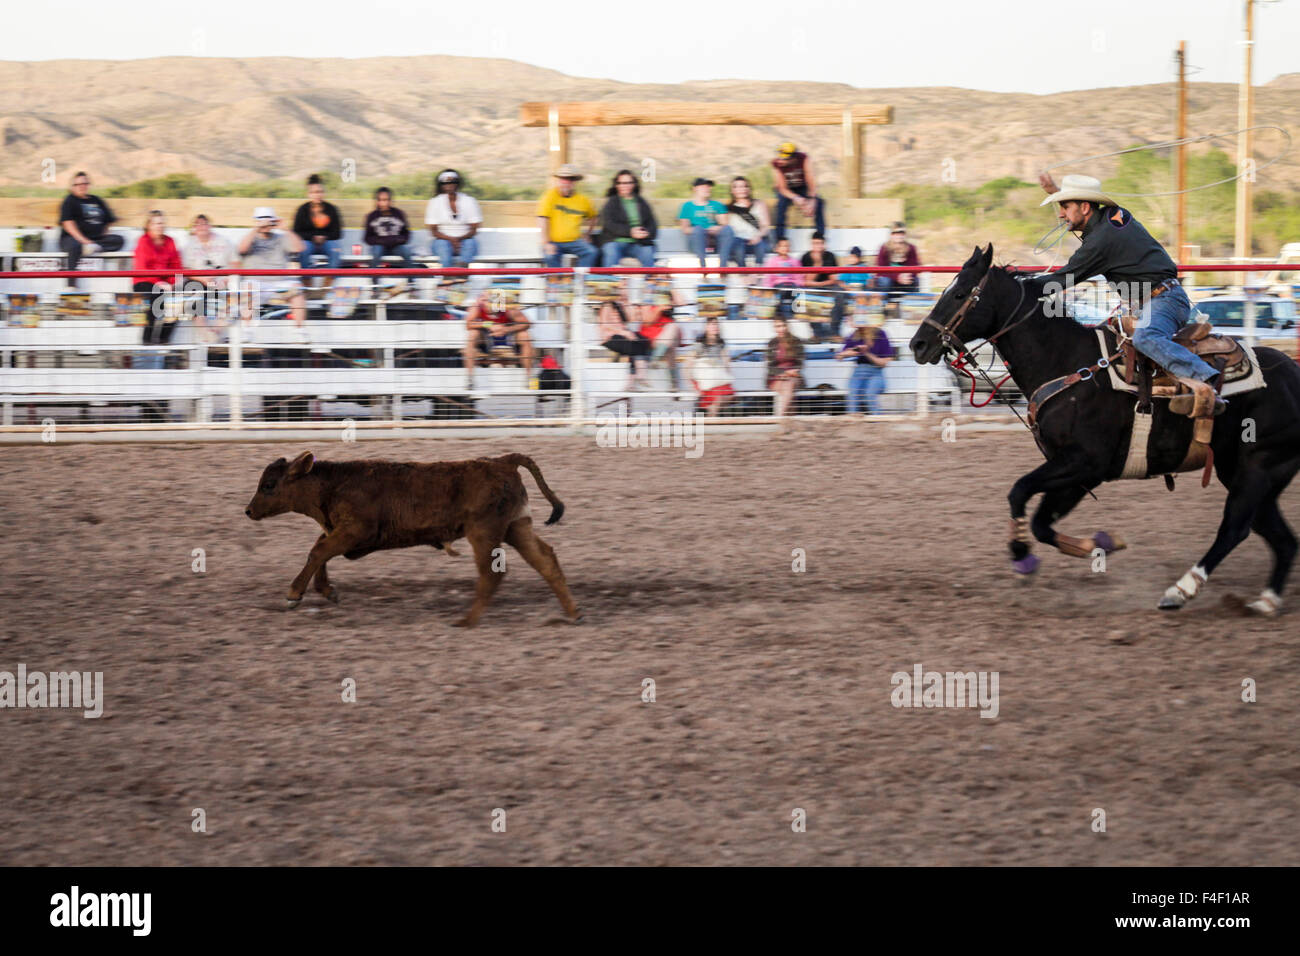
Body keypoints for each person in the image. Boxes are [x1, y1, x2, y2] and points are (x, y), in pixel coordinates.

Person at [1026, 173, 1223, 417]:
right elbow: (1082, 218)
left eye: (1065, 207)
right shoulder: (1114, 216)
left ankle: (1206, 378)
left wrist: (1022, 285)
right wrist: (1058, 192)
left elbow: (1063, 278)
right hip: (1153, 298)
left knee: (1146, 338)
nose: (1060, 214)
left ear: (1085, 207)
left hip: (1165, 300)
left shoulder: (1100, 241)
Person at [131, 211, 183, 391]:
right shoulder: (143, 241)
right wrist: (160, 283)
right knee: (156, 295)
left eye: (162, 223)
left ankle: (163, 339)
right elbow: (142, 269)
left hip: (165, 284)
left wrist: (172, 284)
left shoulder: (170, 241)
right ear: (148, 225)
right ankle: (147, 340)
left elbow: (176, 266)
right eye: (156, 223)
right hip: (145, 281)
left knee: (182, 299)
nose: (160, 226)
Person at [58, 171, 126, 285]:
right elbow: (68, 224)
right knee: (75, 246)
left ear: (88, 185)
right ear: (72, 186)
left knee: (118, 240)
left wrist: (100, 237)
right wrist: (85, 241)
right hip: (72, 239)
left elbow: (108, 220)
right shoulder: (70, 201)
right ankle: (71, 284)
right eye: (78, 184)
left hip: (94, 240)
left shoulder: (97, 200)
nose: (82, 186)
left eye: (85, 183)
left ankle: (93, 247)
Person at [463, 291, 534, 381]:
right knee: (472, 334)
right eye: (484, 300)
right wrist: (489, 324)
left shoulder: (509, 309)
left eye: (489, 300)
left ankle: (528, 377)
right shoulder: (477, 307)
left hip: (507, 337)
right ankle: (470, 378)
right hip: (487, 338)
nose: (485, 303)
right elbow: (468, 325)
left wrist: (506, 329)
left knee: (524, 336)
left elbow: (527, 323)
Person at [537, 164, 598, 267]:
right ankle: (558, 277)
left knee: (592, 252)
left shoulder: (583, 200)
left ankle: (580, 275)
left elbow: (593, 217)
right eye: (563, 179)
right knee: (550, 256)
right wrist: (546, 243)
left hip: (575, 241)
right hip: (554, 242)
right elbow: (542, 219)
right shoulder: (549, 196)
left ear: (575, 182)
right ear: (558, 180)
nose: (566, 182)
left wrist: (588, 234)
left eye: (570, 179)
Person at [837, 313, 895, 415]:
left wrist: (867, 353)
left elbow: (884, 363)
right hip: (858, 372)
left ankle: (877, 420)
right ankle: (853, 420)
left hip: (876, 373)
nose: (859, 327)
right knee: (853, 395)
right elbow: (839, 356)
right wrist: (852, 352)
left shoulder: (880, 334)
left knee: (870, 394)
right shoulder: (854, 335)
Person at [292, 174, 343, 286]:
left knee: (335, 250)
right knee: (303, 249)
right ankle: (307, 282)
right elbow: (296, 232)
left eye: (320, 192)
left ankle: (327, 284)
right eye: (314, 192)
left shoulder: (331, 209)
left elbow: (337, 233)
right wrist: (313, 237)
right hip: (309, 242)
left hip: (327, 242)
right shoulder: (302, 210)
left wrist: (324, 237)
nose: (317, 195)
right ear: (309, 194)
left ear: (323, 193)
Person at [598, 170, 658, 267]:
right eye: (620, 183)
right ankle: (609, 276)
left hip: (638, 243)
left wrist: (645, 233)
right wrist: (630, 232)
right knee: (611, 252)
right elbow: (609, 224)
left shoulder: (642, 202)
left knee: (647, 251)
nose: (624, 186)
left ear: (634, 184)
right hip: (615, 242)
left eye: (628, 183)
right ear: (616, 185)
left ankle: (648, 276)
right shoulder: (611, 202)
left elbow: (652, 224)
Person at [426, 169, 482, 267]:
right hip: (442, 240)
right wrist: (451, 240)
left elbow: (474, 229)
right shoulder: (434, 202)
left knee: (470, 243)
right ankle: (448, 274)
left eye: (453, 182)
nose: (449, 185)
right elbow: (434, 231)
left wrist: (459, 239)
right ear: (441, 185)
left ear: (457, 184)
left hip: (465, 239)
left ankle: (461, 270)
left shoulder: (469, 200)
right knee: (443, 247)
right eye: (445, 183)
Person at [771, 142, 825, 240]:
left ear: (793, 158)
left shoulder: (803, 159)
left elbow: (811, 180)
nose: (782, 161)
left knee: (819, 203)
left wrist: (812, 199)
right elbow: (782, 188)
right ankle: (780, 239)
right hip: (786, 189)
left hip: (802, 186)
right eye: (781, 157)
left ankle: (820, 238)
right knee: (780, 205)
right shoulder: (777, 163)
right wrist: (796, 198)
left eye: (785, 159)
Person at [678, 178, 733, 269]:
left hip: (714, 241)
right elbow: (685, 229)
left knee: (728, 229)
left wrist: (717, 227)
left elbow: (724, 224)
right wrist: (704, 231)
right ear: (695, 189)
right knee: (698, 230)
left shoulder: (717, 205)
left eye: (709, 187)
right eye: (704, 187)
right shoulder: (687, 206)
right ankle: (703, 268)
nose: (708, 189)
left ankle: (722, 268)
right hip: (697, 242)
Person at [597, 300, 652, 390]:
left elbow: (630, 320)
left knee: (643, 341)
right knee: (635, 346)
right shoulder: (608, 305)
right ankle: (639, 377)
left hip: (622, 336)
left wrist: (628, 306)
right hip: (610, 338)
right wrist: (624, 332)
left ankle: (631, 384)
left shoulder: (619, 305)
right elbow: (604, 324)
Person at [800, 231, 844, 340]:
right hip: (812, 287)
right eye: (815, 243)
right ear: (811, 244)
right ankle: (817, 334)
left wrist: (820, 284)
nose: (817, 246)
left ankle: (835, 333)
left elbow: (834, 279)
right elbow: (805, 282)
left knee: (840, 294)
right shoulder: (805, 257)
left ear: (824, 244)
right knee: (807, 294)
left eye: (820, 243)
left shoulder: (830, 256)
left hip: (828, 286)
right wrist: (817, 264)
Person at [688, 316, 735, 416]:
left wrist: (729, 376)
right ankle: (712, 417)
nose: (715, 326)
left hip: (718, 378)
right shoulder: (700, 344)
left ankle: (712, 413)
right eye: (712, 324)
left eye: (716, 324)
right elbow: (688, 364)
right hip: (706, 379)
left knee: (730, 397)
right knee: (718, 399)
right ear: (706, 327)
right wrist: (692, 384)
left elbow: (726, 362)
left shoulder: (721, 343)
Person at [725, 176, 771, 266]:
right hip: (737, 241)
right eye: (737, 187)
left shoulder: (759, 204)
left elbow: (765, 226)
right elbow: (726, 229)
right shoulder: (728, 209)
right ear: (732, 191)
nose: (742, 189)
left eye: (744, 186)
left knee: (761, 246)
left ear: (749, 189)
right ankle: (743, 272)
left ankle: (758, 270)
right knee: (738, 247)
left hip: (756, 238)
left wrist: (758, 236)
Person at [364, 187, 414, 267]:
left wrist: (397, 240)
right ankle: (374, 275)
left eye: (385, 200)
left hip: (396, 246)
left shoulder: (399, 214)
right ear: (377, 201)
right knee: (376, 252)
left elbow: (406, 234)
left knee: (407, 252)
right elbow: (367, 238)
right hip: (379, 246)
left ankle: (411, 275)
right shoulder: (372, 216)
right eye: (380, 200)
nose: (383, 203)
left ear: (390, 200)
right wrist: (382, 241)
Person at [766, 315, 805, 417]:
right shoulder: (772, 343)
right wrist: (783, 373)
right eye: (778, 326)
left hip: (794, 376)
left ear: (787, 326)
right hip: (776, 377)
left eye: (783, 326)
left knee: (788, 384)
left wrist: (792, 372)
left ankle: (778, 419)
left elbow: (800, 363)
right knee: (788, 389)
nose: (781, 329)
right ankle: (785, 420)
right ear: (774, 328)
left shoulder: (796, 341)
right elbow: (770, 367)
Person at [875, 222, 921, 307]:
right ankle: (885, 306)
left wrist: (909, 275)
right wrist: (897, 277)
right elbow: (880, 270)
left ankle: (911, 307)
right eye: (895, 233)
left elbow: (915, 267)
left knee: (915, 280)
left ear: (905, 234)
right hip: (890, 280)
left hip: (905, 279)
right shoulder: (884, 248)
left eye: (901, 233)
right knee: (885, 281)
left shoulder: (911, 248)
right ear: (891, 235)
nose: (899, 235)